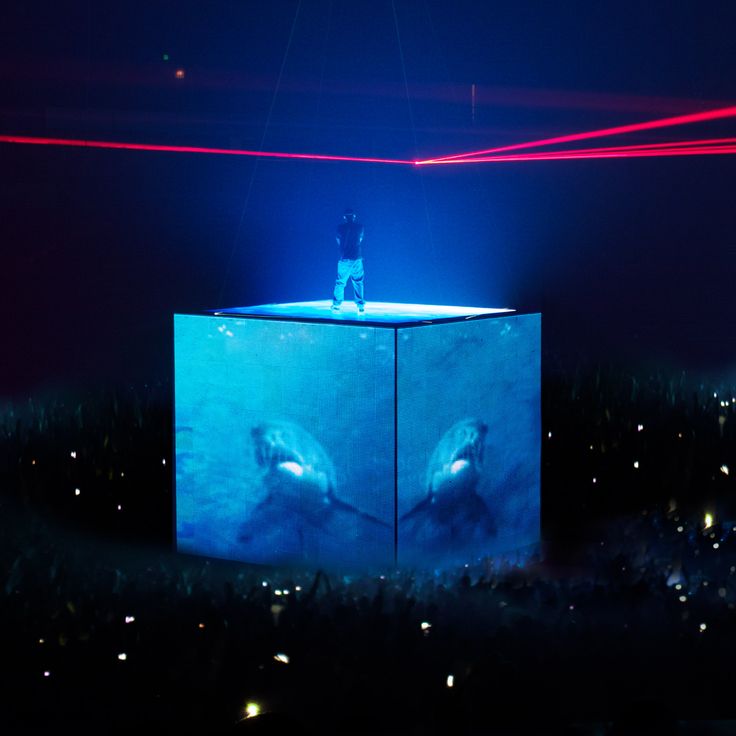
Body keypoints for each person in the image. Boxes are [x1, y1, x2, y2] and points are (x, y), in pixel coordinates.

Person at [331, 208, 365, 313]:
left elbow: (338, 241)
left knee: (340, 282)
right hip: (356, 258)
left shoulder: (340, 228)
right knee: (358, 282)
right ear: (354, 216)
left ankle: (336, 305)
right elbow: (360, 240)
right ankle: (360, 306)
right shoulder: (360, 227)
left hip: (344, 258)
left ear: (344, 217)